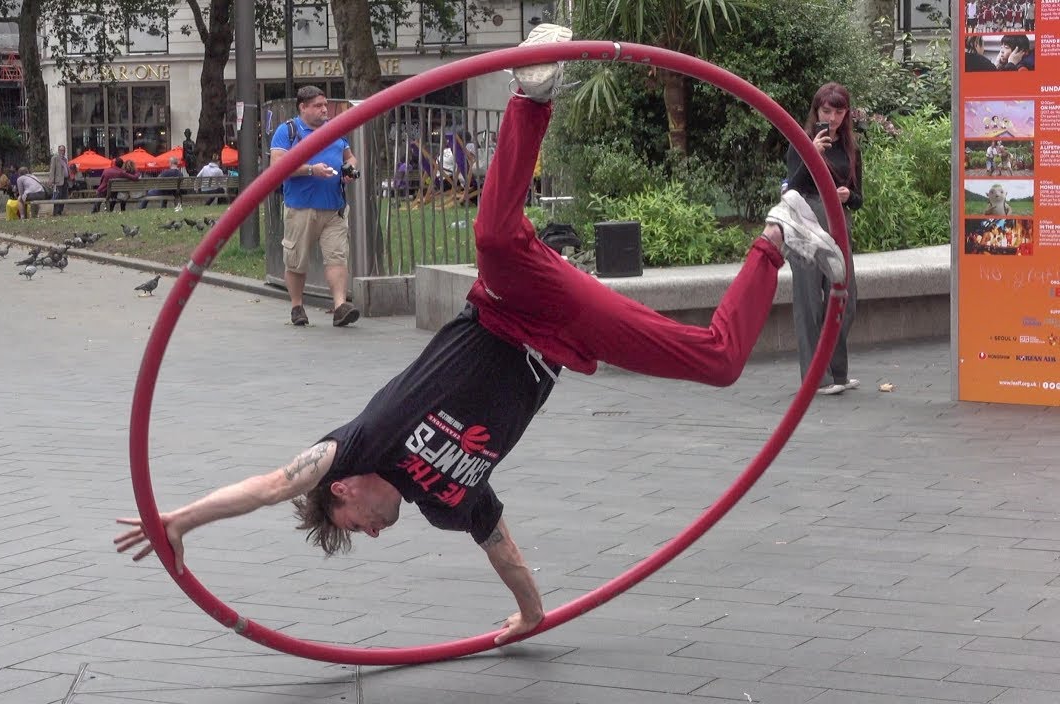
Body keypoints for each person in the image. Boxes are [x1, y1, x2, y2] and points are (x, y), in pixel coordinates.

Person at [114, 25, 847, 645]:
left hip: (508, 304)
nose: (375, 533)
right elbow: (504, 551)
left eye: (356, 524)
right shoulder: (445, 504)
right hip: (563, 338)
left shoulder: (361, 442)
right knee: (717, 363)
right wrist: (531, 617)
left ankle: (532, 91)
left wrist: (183, 518)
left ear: (344, 487)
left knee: (494, 233)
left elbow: (277, 485)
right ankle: (782, 227)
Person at [784, 82, 863, 396]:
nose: (831, 118)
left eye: (838, 111)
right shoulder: (800, 142)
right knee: (809, 301)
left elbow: (860, 198)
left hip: (837, 223)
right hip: (805, 219)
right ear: (816, 111)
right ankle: (817, 377)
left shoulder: (851, 149)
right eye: (826, 111)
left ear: (846, 114)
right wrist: (812, 154)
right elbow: (792, 187)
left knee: (845, 298)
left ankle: (838, 372)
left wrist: (848, 196)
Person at [269, 85, 360, 328]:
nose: (324, 110)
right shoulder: (287, 131)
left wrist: (349, 169)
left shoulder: (335, 130)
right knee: (297, 260)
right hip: (301, 208)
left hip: (335, 208)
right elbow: (277, 166)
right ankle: (297, 306)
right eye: (318, 106)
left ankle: (340, 306)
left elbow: (349, 157)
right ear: (303, 107)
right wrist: (311, 170)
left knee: (337, 256)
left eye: (325, 105)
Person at [47, 144, 71, 216]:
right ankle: (56, 212)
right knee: (58, 196)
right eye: (61, 150)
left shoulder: (65, 159)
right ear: (58, 150)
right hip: (58, 181)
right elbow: (52, 170)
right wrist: (51, 180)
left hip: (65, 180)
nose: (62, 152)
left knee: (64, 196)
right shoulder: (55, 158)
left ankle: (60, 211)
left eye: (63, 150)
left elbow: (66, 168)